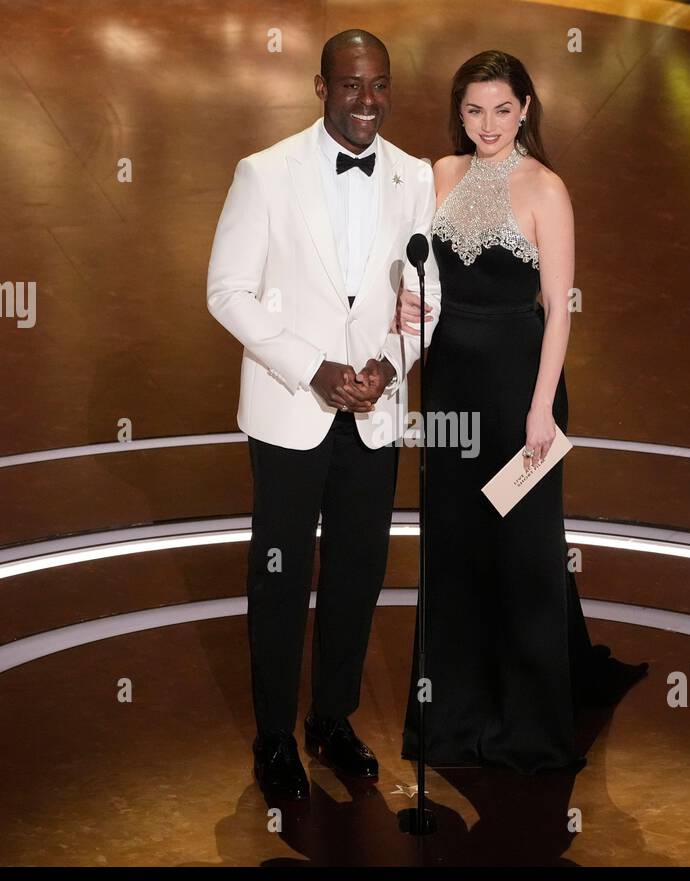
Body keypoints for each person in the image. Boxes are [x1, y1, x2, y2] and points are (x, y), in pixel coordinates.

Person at [398, 50, 647, 775]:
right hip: (448, 386)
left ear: (526, 110)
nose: (488, 125)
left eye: (503, 109)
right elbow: (412, 265)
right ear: (460, 112)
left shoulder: (547, 189)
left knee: (523, 550)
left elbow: (559, 310)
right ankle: (452, 720)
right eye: (474, 110)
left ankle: (528, 727)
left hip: (521, 392)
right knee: (454, 544)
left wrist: (543, 410)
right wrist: (404, 296)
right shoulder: (441, 175)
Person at [207, 29, 439, 801]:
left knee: (356, 572)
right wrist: (314, 369)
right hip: (289, 410)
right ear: (321, 87)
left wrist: (387, 365)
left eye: (379, 85)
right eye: (350, 86)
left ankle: (331, 720)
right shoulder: (264, 173)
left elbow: (424, 299)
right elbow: (228, 291)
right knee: (278, 578)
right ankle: (274, 737)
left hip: (373, 411)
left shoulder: (413, 178)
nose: (366, 101)